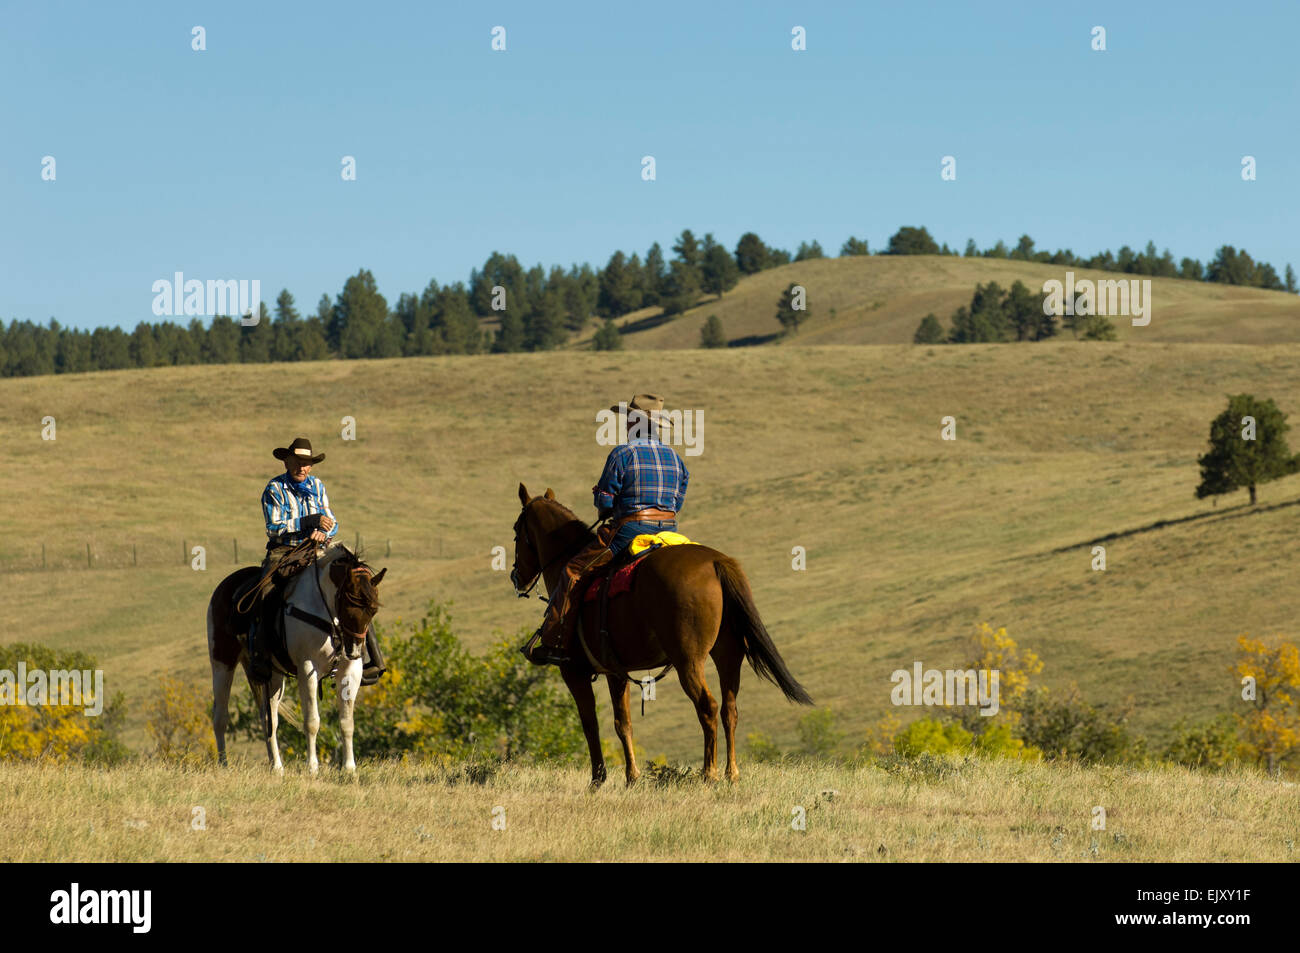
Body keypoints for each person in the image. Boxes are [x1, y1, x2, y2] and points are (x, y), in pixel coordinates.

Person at [523, 394, 689, 666]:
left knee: (572, 572)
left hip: (629, 532)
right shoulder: (675, 458)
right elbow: (678, 501)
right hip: (670, 532)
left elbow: (604, 501)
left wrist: (606, 504)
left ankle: (555, 642)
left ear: (635, 423)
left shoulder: (622, 454)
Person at [246, 436, 338, 681]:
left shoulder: (318, 486)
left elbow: (331, 520)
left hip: (316, 549)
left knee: (352, 584)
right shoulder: (274, 489)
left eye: (307, 463)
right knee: (265, 591)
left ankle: (366, 657)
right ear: (286, 462)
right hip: (284, 551)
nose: (302, 467)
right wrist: (307, 522)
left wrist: (324, 530)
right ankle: (261, 654)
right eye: (297, 461)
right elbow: (273, 528)